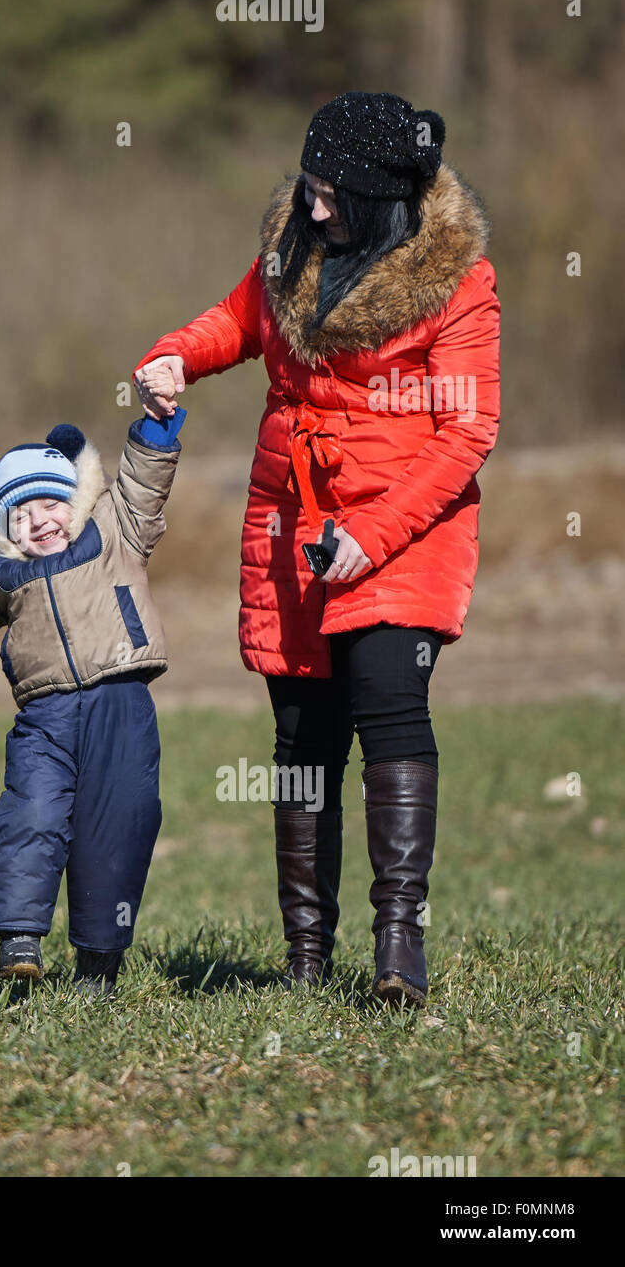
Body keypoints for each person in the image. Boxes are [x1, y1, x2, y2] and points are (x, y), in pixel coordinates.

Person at [133, 92, 500, 1008]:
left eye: (331, 191)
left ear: (380, 200)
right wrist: (178, 353)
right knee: (301, 740)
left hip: (404, 529)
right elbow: (236, 321)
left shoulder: (457, 286)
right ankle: (304, 958)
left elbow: (466, 435)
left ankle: (396, 947)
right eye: (308, 183)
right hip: (291, 526)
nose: (313, 203)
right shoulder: (294, 248)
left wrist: (370, 538)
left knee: (389, 709)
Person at [0, 408, 185, 995]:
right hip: (45, 718)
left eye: (50, 505)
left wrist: (157, 424)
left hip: (120, 705)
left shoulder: (116, 529)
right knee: (28, 814)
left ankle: (99, 963)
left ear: (76, 500)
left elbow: (145, 477)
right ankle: (20, 938)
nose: (39, 522)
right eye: (20, 515)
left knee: (119, 825)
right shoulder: (2, 573)